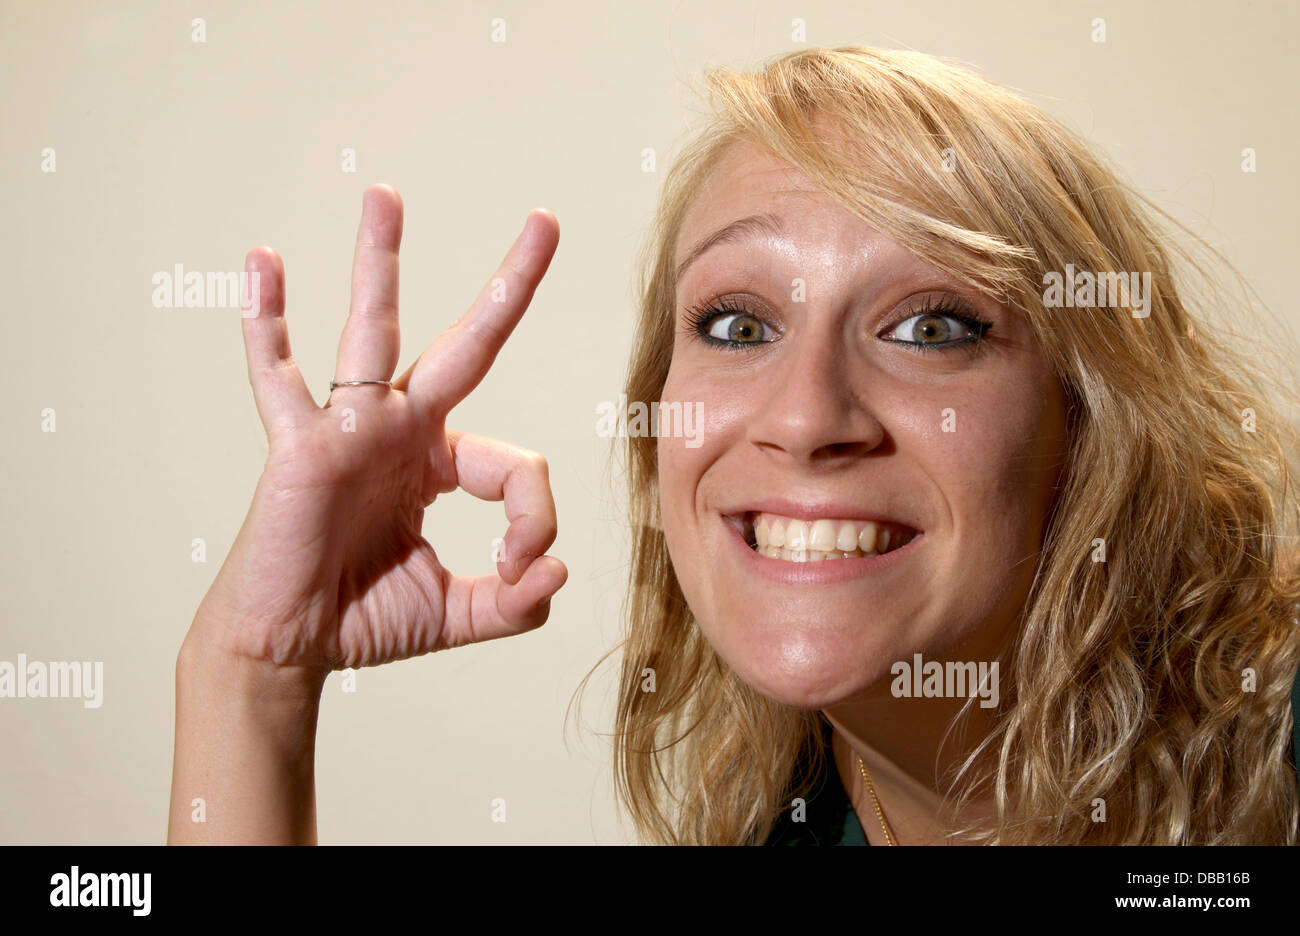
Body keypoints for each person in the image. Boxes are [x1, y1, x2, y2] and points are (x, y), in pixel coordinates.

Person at [168, 46, 1300, 846]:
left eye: (932, 328)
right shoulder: (802, 812)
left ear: (1091, 420)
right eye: (738, 325)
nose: (806, 418)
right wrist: (253, 672)